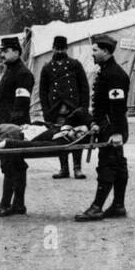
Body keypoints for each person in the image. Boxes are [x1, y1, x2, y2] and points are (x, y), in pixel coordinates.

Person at [75, 34, 129, 221]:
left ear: (105, 51)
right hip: (107, 127)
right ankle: (118, 206)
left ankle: (97, 207)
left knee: (107, 165)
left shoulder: (114, 75)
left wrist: (115, 132)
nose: (93, 54)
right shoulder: (107, 71)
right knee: (119, 165)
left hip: (112, 128)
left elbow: (118, 107)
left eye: (95, 50)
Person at [0, 36, 34, 218]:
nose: (2, 55)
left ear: (16, 51)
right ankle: (18, 205)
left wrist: (9, 130)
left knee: (10, 163)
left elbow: (21, 105)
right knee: (15, 164)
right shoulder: (10, 70)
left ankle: (6, 205)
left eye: (5, 51)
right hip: (4, 126)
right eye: (1, 51)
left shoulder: (23, 74)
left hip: (13, 127)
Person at [40, 35, 90, 180]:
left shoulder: (75, 64)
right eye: (57, 48)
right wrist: (46, 111)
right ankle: (64, 168)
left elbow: (84, 88)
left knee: (76, 136)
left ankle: (77, 168)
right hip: (56, 109)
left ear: (66, 48)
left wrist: (84, 109)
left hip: (74, 108)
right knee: (60, 136)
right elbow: (42, 92)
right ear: (53, 48)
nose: (60, 51)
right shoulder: (47, 68)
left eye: (62, 48)